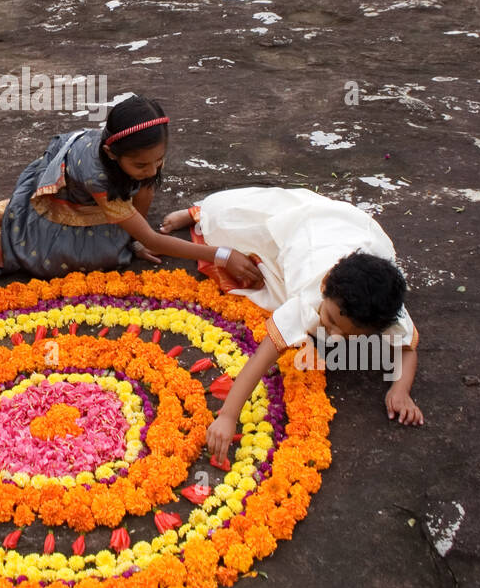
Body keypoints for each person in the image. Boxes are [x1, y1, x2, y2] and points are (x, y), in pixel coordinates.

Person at [159, 186, 422, 456]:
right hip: (307, 228)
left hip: (353, 233)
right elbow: (263, 356)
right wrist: (227, 416)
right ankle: (197, 214)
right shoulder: (308, 298)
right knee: (230, 219)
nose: (331, 336)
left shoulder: (383, 306)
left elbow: (405, 346)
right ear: (323, 285)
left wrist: (400, 390)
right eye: (329, 321)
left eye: (347, 336)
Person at [0, 94, 264, 282]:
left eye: (159, 160)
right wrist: (221, 255)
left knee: (128, 237)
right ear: (112, 153)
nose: (153, 170)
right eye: (142, 165)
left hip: (105, 190)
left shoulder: (142, 156)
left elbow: (145, 186)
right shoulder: (98, 175)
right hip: (68, 201)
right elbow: (153, 240)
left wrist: (135, 237)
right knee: (91, 258)